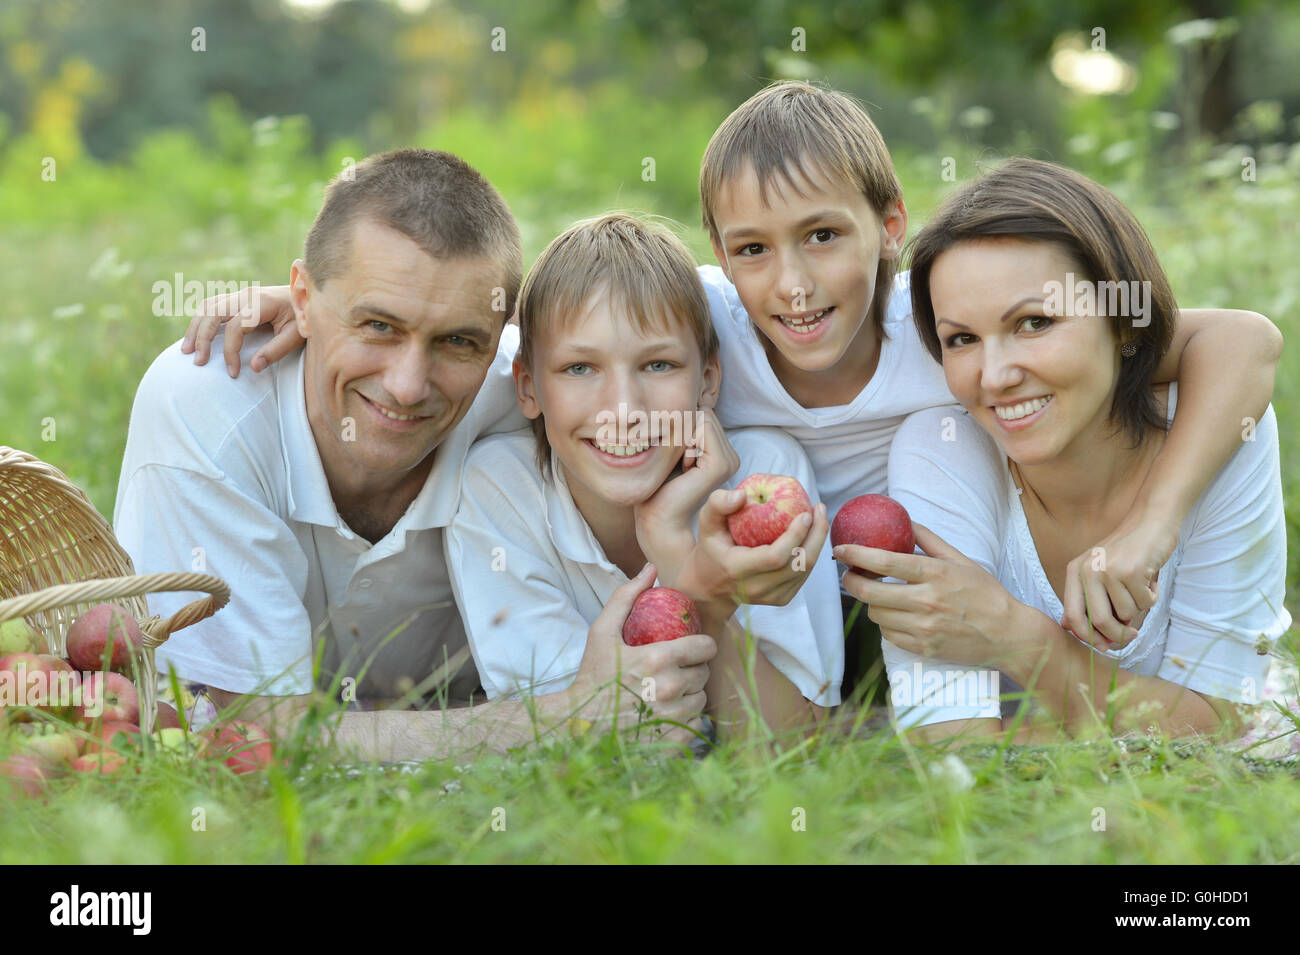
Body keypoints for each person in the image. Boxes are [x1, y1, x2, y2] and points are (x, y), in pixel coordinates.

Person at [185, 81, 1284, 709]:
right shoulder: (704, 323)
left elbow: (1238, 341)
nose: (793, 287)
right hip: (819, 586)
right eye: (754, 250)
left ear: (890, 228)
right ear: (720, 258)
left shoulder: (944, 323)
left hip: (926, 572)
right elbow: (540, 347)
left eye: (823, 238)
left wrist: (1148, 530)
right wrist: (320, 317)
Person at [115, 149, 716, 760]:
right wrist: (567, 717)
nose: (407, 385)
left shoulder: (544, 393)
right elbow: (258, 733)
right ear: (302, 297)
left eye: (456, 341)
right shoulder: (209, 414)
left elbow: (719, 323)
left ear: (500, 347)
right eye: (378, 325)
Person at [833, 158, 1291, 744]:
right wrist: (1153, 725)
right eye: (962, 339)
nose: (995, 377)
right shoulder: (941, 448)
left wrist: (1012, 633)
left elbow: (1223, 720)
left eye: (1034, 322)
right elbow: (953, 744)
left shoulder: (1217, 431)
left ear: (1123, 320)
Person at [445, 213, 840, 745]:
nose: (624, 410)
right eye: (580, 369)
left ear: (707, 382)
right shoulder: (500, 488)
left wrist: (678, 553)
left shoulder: (764, 476)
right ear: (527, 388)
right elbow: (574, 733)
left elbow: (794, 745)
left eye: (657, 365)